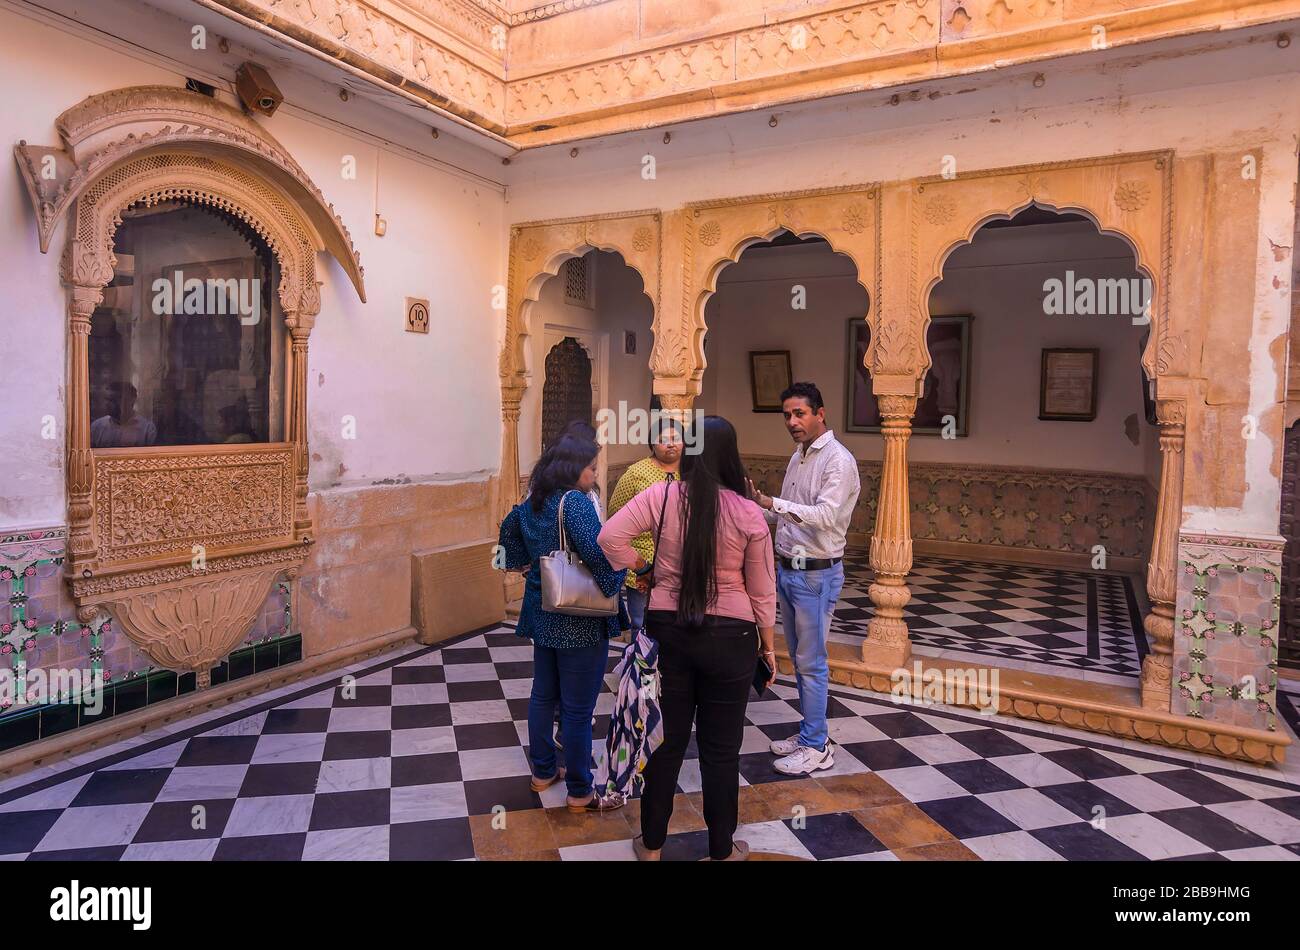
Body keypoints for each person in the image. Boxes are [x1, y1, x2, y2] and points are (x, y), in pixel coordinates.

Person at [600, 415, 776, 861]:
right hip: (732, 638)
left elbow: (609, 537)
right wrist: (769, 647)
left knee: (666, 743)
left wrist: (642, 571)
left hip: (668, 634)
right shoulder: (749, 512)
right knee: (722, 751)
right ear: (731, 455)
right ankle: (722, 850)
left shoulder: (660, 497)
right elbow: (761, 590)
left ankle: (653, 845)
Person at [498, 428, 628, 813]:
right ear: (574, 469)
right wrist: (623, 571)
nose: (593, 475)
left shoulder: (534, 499)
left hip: (542, 611)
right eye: (590, 468)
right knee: (576, 709)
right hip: (578, 617)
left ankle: (542, 772)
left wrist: (529, 570)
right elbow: (599, 554)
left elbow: (507, 545)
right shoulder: (574, 502)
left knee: (543, 695)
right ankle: (580, 791)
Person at [747, 382, 860, 776]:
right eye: (787, 415)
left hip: (815, 575)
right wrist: (752, 510)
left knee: (812, 664)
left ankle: (818, 747)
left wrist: (770, 502)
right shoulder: (799, 456)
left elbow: (825, 516)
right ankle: (809, 732)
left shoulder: (837, 461)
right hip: (790, 571)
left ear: (820, 413)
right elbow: (790, 516)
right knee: (799, 659)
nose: (792, 422)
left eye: (800, 414)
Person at [606, 416, 683, 635]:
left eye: (676, 438)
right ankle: (640, 668)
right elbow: (615, 513)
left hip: (679, 563)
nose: (670, 443)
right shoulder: (636, 473)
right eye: (663, 439)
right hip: (642, 561)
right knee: (641, 622)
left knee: (675, 624)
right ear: (652, 443)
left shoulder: (689, 472)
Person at [90, 381, 157, 448]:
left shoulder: (147, 429)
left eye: (114, 399)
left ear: (132, 400)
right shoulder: (97, 427)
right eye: (107, 399)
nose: (108, 404)